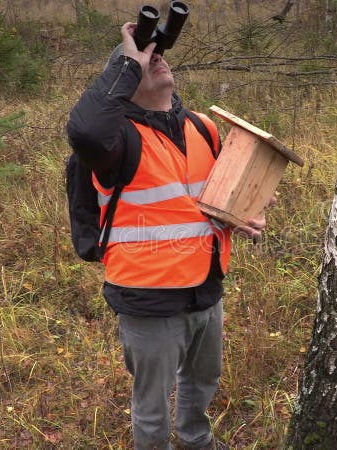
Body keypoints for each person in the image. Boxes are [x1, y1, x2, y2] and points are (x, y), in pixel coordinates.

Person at [66, 22, 266, 450]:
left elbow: (211, 201)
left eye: (158, 56)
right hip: (148, 296)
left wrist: (241, 217)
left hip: (207, 286)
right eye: (144, 62)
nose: (156, 59)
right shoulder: (116, 141)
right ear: (124, 84)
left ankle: (196, 442)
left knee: (202, 382)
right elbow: (85, 130)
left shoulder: (202, 128)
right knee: (152, 404)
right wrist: (126, 64)